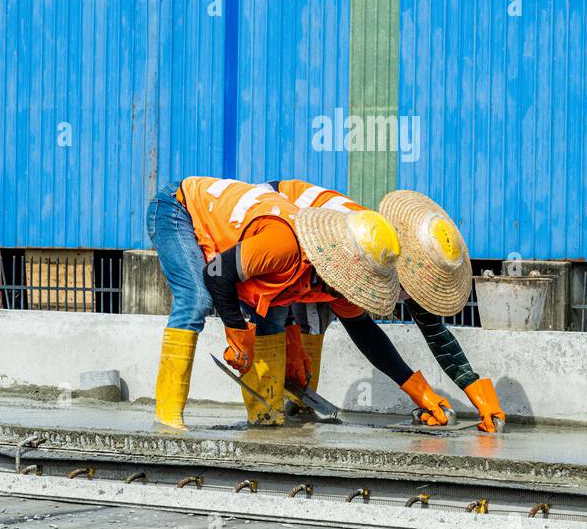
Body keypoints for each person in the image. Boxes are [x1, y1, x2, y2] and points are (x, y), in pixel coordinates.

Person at [146, 177, 452, 430]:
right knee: (195, 299)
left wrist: (418, 391)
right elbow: (216, 276)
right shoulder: (285, 244)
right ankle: (168, 416)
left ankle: (264, 417)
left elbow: (365, 333)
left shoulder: (337, 278)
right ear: (339, 264)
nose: (351, 291)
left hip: (235, 250)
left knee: (273, 317)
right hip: (179, 208)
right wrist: (237, 334)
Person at [272, 181, 507, 432]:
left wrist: (477, 393)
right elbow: (362, 330)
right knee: (306, 323)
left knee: (310, 329)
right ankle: (282, 409)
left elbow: (437, 335)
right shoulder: (358, 257)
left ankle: (297, 402)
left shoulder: (410, 262)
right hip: (279, 218)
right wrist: (420, 392)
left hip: (311, 240)